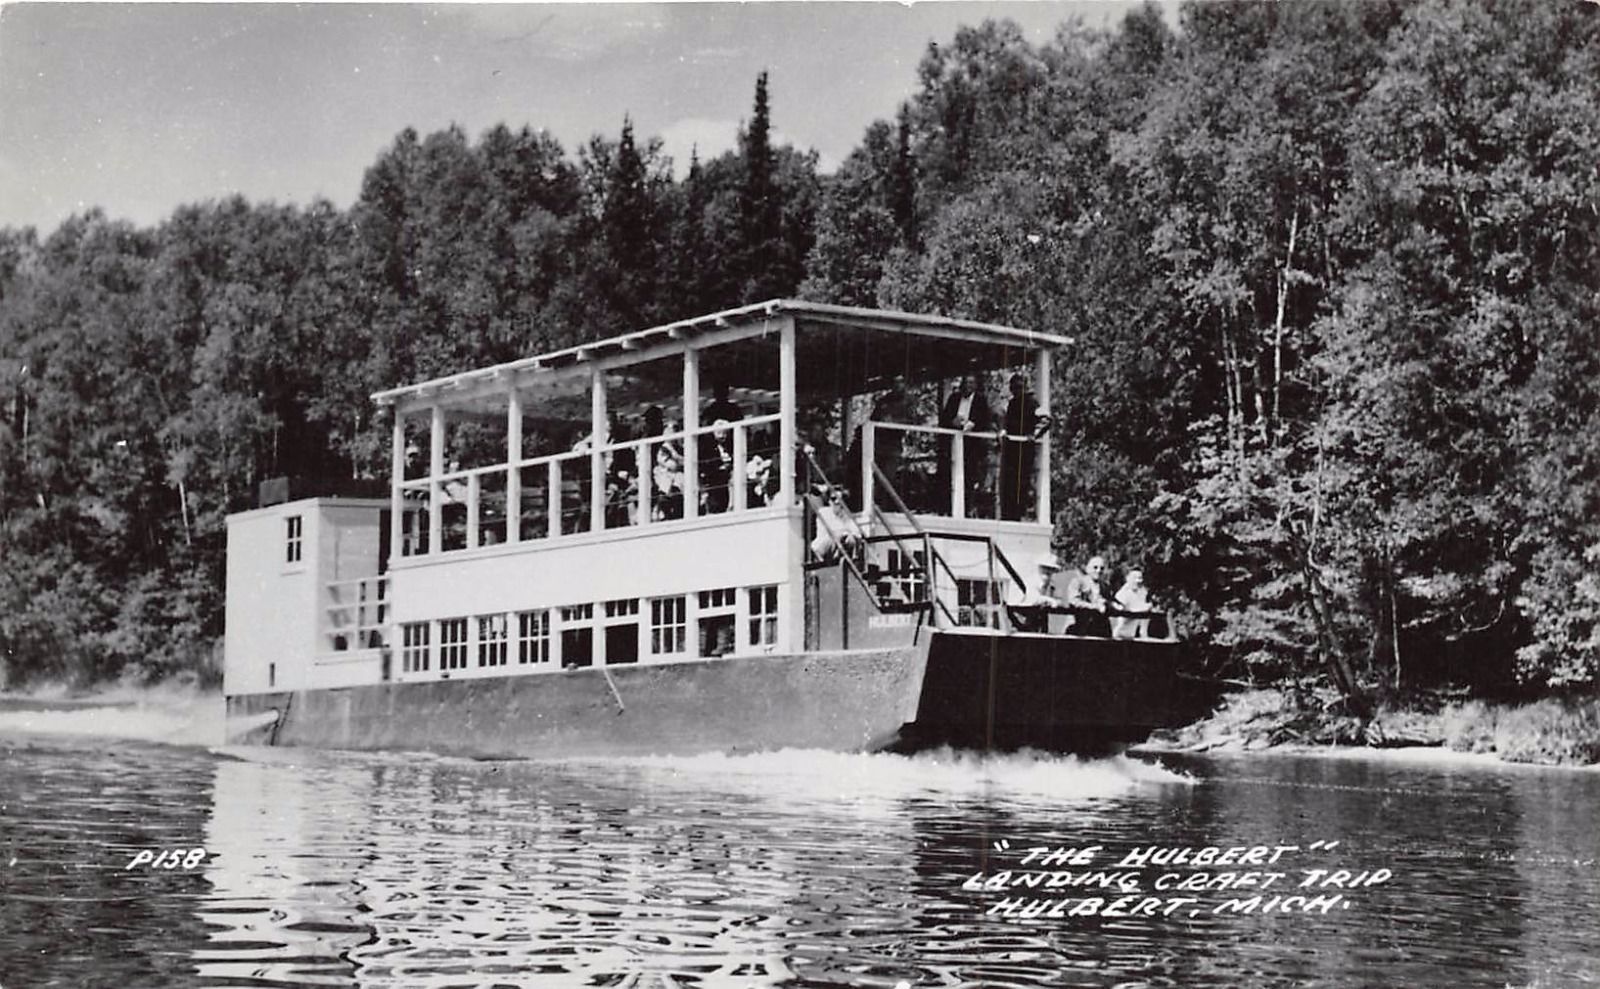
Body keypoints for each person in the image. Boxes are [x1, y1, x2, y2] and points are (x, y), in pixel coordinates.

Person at [999, 373, 1051, 521]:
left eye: (1019, 387)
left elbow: (1046, 419)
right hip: (1010, 451)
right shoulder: (1012, 404)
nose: (1016, 390)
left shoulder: (1032, 403)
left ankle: (1017, 516)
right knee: (1007, 486)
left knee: (1020, 485)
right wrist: (1003, 431)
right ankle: (1007, 516)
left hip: (1024, 452)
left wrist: (1034, 434)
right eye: (1014, 387)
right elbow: (1007, 423)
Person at [936, 376, 992, 514]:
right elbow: (944, 419)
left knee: (969, 477)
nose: (968, 385)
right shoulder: (954, 398)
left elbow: (986, 421)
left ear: (975, 385)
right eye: (966, 382)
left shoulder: (980, 400)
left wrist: (973, 424)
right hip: (952, 444)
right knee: (948, 475)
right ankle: (946, 509)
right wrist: (952, 422)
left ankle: (966, 510)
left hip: (971, 447)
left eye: (971, 383)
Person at [1063, 554, 1109, 637]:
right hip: (1079, 626)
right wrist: (1094, 606)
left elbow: (1108, 601)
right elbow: (1074, 601)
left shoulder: (1105, 586)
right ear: (1088, 569)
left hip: (1098, 628)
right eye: (1095, 567)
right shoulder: (1078, 582)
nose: (1098, 571)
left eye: (1102, 568)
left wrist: (1112, 604)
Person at [1113, 568, 1153, 640]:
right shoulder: (1122, 594)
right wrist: (1145, 608)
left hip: (1131, 636)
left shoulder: (1143, 592)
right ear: (1127, 578)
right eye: (1134, 577)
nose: (1137, 581)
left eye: (1140, 578)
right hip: (1118, 636)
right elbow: (1125, 610)